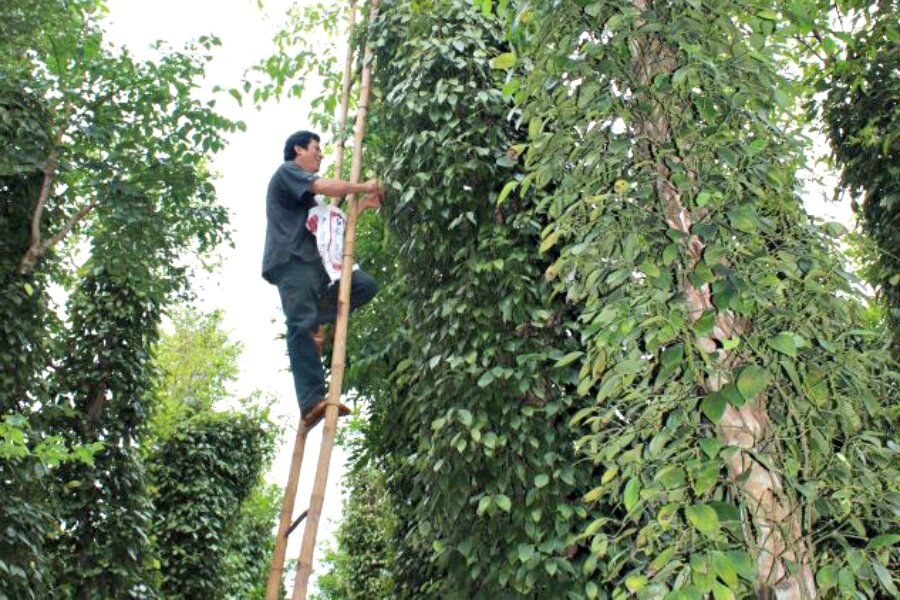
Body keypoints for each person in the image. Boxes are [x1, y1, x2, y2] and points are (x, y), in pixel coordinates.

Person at [262, 130, 382, 426]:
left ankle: (314, 319)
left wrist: (363, 205)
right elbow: (326, 186)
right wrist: (362, 186)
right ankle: (312, 401)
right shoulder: (288, 172)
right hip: (291, 260)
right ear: (298, 149)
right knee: (300, 323)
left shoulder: (310, 200)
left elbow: (333, 228)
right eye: (316, 148)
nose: (321, 154)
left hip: (316, 265)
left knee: (363, 286)